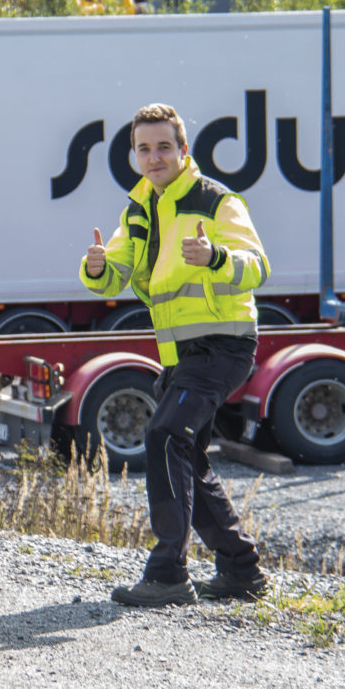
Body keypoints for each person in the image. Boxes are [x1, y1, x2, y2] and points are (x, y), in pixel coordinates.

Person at [81, 102, 271, 606]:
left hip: (224, 344)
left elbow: (257, 267)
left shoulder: (216, 201)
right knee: (186, 453)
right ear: (134, 155)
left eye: (164, 146)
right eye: (144, 148)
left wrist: (216, 257)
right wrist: (97, 266)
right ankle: (240, 569)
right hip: (182, 355)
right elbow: (117, 268)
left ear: (183, 150)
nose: (154, 156)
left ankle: (167, 572)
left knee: (164, 435)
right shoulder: (139, 207)